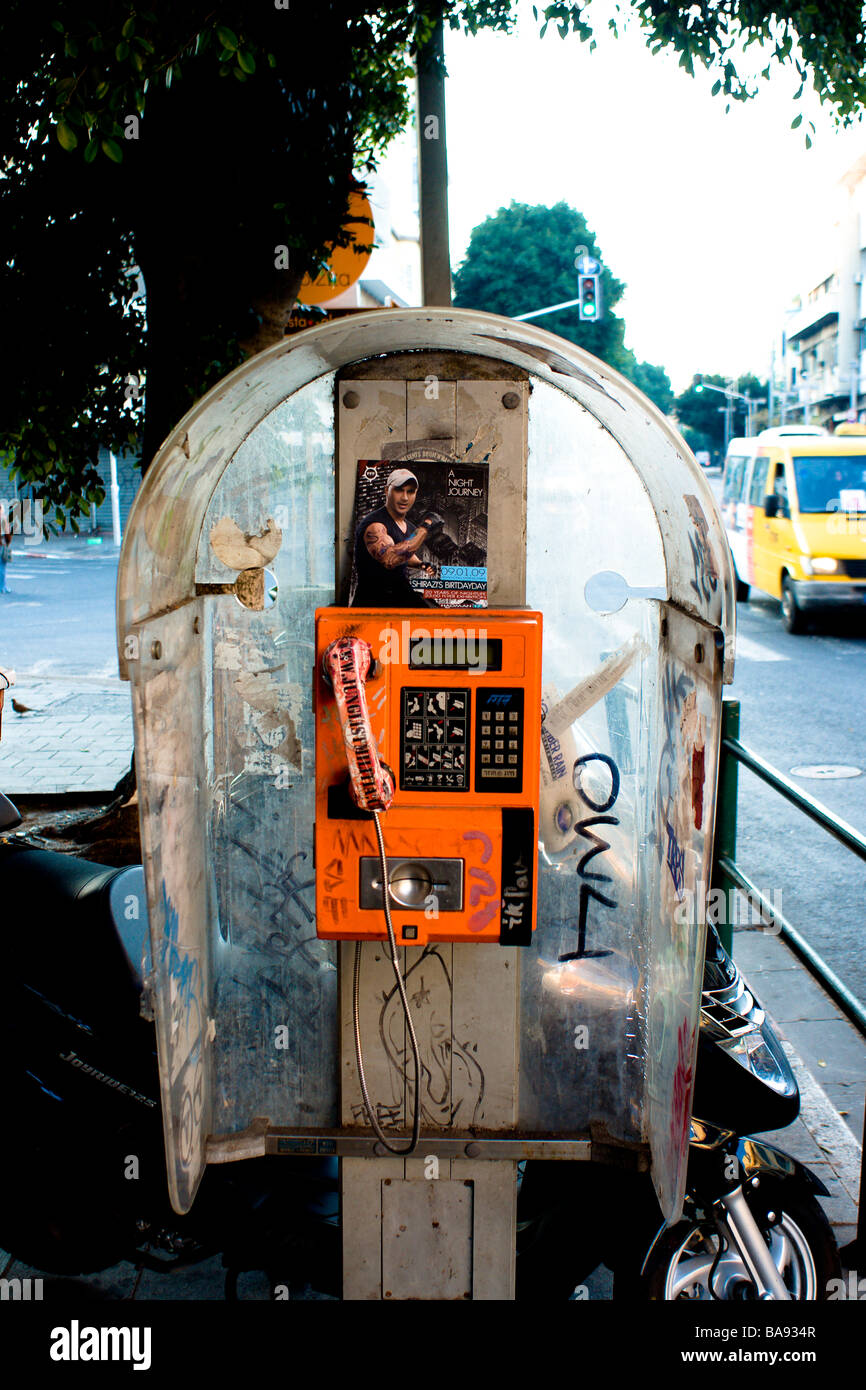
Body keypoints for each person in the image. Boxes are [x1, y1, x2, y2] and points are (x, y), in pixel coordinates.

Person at [352, 468, 442, 608]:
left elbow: (404, 553)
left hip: (399, 596)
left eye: (410, 491)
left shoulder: (410, 527)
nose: (405, 497)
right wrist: (426, 525)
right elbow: (390, 558)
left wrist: (420, 564)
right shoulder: (375, 525)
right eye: (399, 490)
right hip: (373, 603)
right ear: (387, 490)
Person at [0, 504, 12, 594]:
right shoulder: (3, 518)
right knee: (1, 568)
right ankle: (2, 587)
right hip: (0, 544)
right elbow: (7, 534)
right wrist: (7, 543)